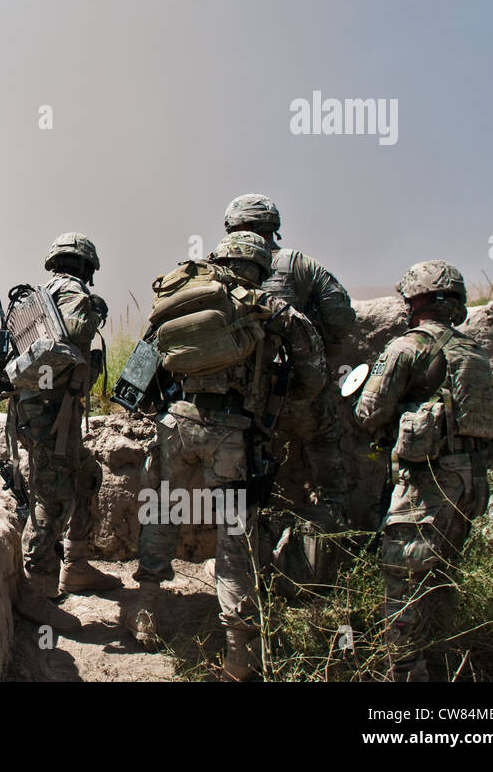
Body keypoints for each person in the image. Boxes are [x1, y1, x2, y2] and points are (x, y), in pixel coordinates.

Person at [133, 231, 326, 679]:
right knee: (235, 539)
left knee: (159, 511)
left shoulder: (186, 294)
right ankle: (239, 657)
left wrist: (151, 406)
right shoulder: (275, 309)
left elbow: (142, 363)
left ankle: (145, 615)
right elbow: (313, 376)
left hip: (176, 424)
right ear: (262, 267)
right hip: (235, 434)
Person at [353, 260, 493, 681]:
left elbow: (368, 412)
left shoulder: (408, 346)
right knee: (442, 579)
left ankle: (406, 675)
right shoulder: (473, 351)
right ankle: (444, 664)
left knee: (403, 580)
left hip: (427, 483)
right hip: (471, 483)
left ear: (415, 301)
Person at [6, 232, 121, 630]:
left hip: (44, 412)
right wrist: (92, 314)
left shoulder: (33, 300)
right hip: (53, 416)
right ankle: (35, 595)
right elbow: (75, 333)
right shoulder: (73, 293)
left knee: (88, 476)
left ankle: (76, 566)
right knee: (51, 500)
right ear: (86, 266)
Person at [223, 194, 355, 522]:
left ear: (232, 227)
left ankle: (250, 538)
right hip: (299, 387)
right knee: (323, 438)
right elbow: (341, 318)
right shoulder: (301, 264)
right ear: (273, 227)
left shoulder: (214, 269)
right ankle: (331, 519)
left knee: (245, 463)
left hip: (239, 395)